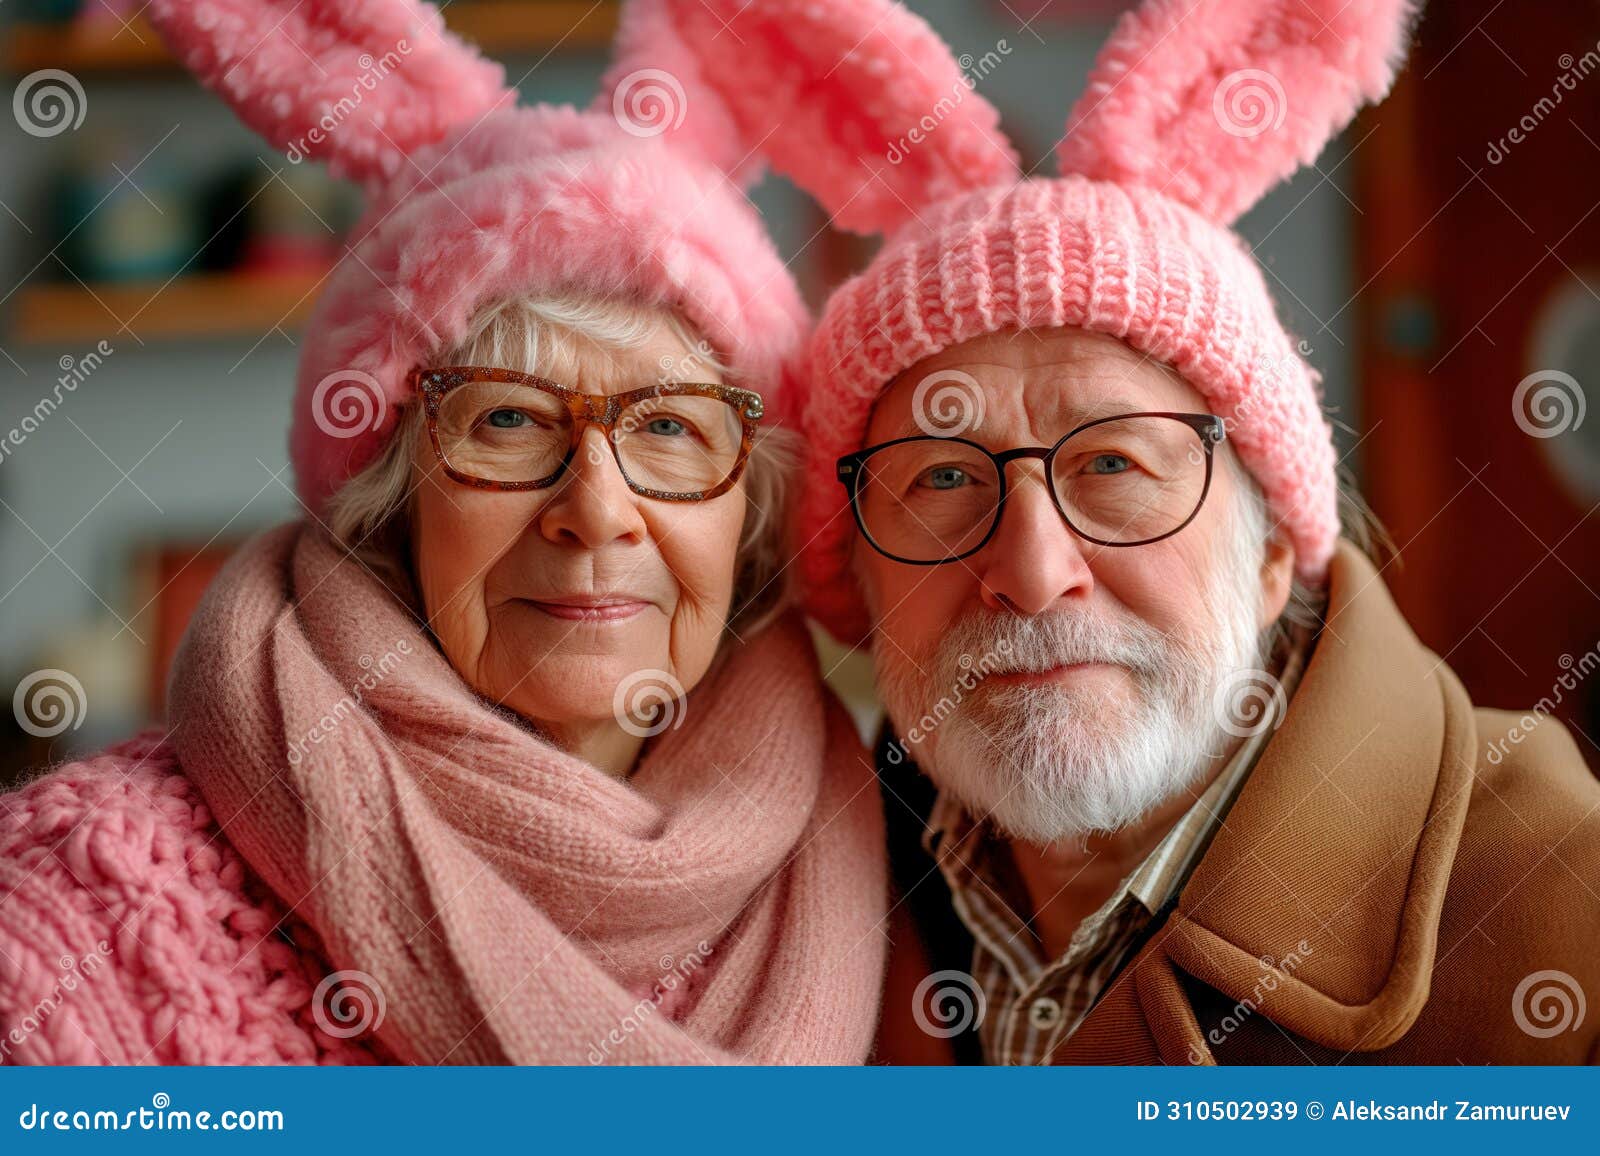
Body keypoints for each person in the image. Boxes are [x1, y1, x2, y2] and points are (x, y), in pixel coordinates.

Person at [677, 0, 1600, 1062]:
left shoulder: (1556, 912)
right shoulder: (777, 911)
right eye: (939, 477)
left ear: (1267, 548)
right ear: (858, 577)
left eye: (1113, 464)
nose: (1028, 569)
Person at [0, 0, 886, 1066]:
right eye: (506, 421)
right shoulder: (66, 916)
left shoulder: (901, 865)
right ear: (389, 490)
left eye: (668, 428)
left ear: (751, 503)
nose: (597, 509)